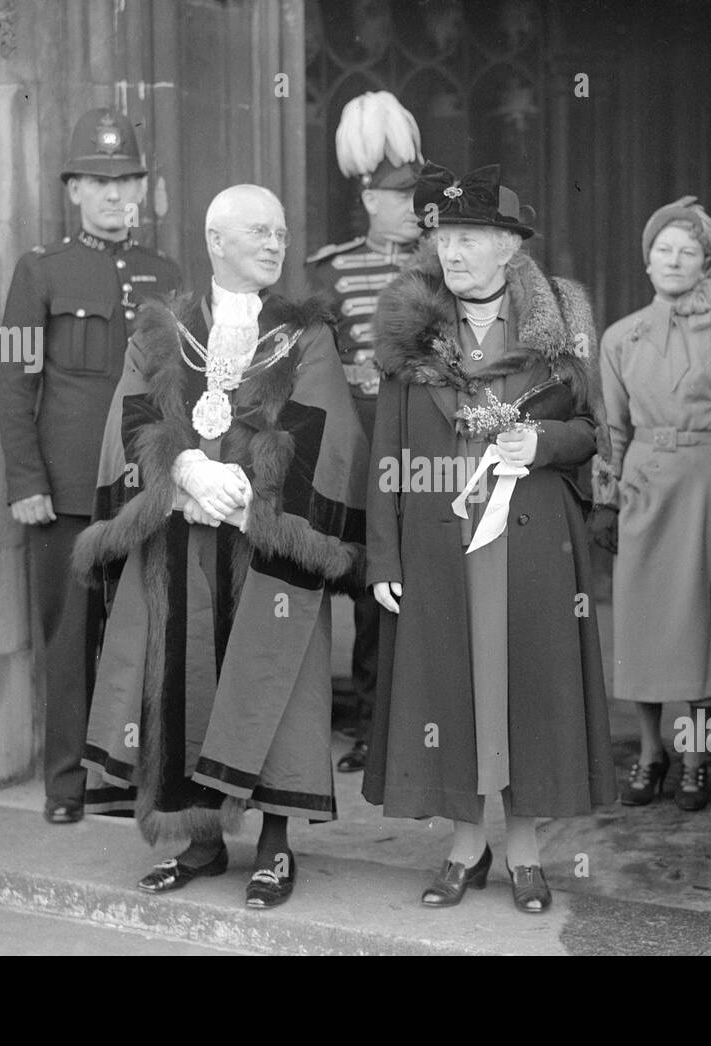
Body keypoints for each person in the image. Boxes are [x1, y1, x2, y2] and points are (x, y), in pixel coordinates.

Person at [73, 185, 368, 908]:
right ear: (215, 240)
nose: (275, 243)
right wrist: (181, 472)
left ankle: (274, 848)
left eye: (281, 231)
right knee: (181, 679)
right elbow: (131, 414)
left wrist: (247, 496)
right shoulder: (162, 330)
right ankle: (200, 842)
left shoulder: (307, 335)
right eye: (258, 231)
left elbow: (329, 433)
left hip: (260, 548)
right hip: (177, 541)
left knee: (271, 683)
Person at [363, 162, 616, 914]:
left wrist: (539, 443)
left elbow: (590, 432)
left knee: (527, 689)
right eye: (446, 236)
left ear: (511, 246)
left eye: (473, 237)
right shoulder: (412, 326)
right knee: (453, 688)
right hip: (441, 548)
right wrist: (383, 553)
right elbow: (386, 451)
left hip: (531, 545)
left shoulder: (557, 324)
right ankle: (465, 846)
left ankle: (527, 851)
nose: (455, 251)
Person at [0, 108, 182, 825]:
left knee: (143, 631)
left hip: (142, 487)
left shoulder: (164, 274)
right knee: (70, 637)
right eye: (98, 182)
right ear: (72, 189)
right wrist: (26, 483)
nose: (114, 195)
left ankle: (127, 779)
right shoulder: (40, 270)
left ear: (142, 188)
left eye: (127, 180)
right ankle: (67, 785)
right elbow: (13, 383)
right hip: (67, 491)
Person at [589, 197, 711, 811]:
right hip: (644, 484)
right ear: (647, 260)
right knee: (644, 619)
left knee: (701, 620)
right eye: (664, 249)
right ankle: (651, 752)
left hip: (709, 480)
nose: (675, 260)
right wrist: (606, 498)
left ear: (706, 259)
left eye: (688, 250)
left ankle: (698, 756)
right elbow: (611, 427)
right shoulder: (621, 337)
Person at [306, 91, 424, 773]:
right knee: (355, 585)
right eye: (399, 195)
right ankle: (358, 724)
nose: (413, 207)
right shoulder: (332, 266)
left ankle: (396, 725)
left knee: (402, 588)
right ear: (369, 197)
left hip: (420, 451)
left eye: (417, 195)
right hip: (353, 448)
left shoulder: (442, 265)